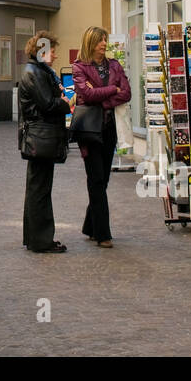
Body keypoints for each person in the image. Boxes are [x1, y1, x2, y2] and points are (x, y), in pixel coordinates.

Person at [72, 26, 131, 248]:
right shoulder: (79, 67)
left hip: (109, 128)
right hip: (89, 130)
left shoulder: (114, 65)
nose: (104, 44)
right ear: (91, 43)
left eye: (105, 40)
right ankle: (103, 234)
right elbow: (85, 94)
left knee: (103, 179)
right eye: (100, 41)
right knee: (96, 179)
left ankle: (90, 225)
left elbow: (126, 92)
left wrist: (101, 96)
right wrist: (111, 91)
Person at [17, 31, 70, 253]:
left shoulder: (36, 71)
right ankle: (41, 240)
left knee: (36, 187)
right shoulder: (36, 72)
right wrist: (65, 102)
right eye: (52, 50)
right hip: (41, 136)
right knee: (40, 189)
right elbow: (48, 104)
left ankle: (34, 237)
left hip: (39, 137)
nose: (55, 55)